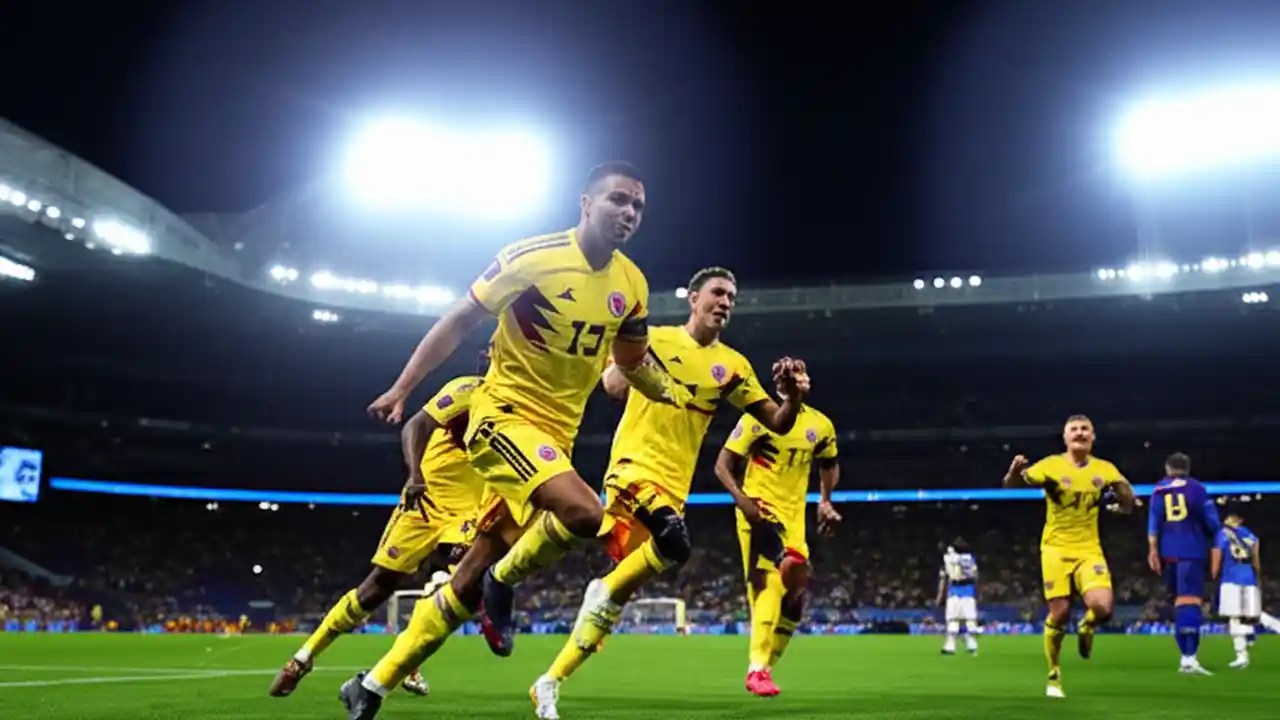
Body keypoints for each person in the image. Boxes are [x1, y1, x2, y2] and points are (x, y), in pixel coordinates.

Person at [339, 161, 750, 719]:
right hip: (503, 418)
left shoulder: (631, 284)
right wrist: (402, 388)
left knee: (464, 585)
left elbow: (632, 362)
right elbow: (460, 319)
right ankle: (504, 580)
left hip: (555, 440)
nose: (629, 212)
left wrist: (674, 392)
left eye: (638, 205)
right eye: (618, 199)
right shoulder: (532, 257)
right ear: (586, 203)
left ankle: (371, 685)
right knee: (586, 514)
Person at [527, 266, 809, 720]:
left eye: (732, 297)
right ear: (693, 298)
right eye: (718, 293)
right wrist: (630, 361)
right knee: (676, 543)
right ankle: (542, 565)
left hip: (674, 490)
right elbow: (612, 385)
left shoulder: (733, 366)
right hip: (632, 470)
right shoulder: (653, 338)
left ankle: (549, 681)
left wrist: (792, 397)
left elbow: (777, 422)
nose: (726, 302)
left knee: (613, 602)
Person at [270, 358, 489, 698]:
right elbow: (415, 426)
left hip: (468, 513)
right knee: (376, 588)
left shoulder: (521, 407)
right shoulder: (467, 389)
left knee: (456, 583)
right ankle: (302, 658)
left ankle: (401, 667)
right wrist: (415, 474)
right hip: (425, 501)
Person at [715, 398, 841, 697]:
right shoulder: (756, 418)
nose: (796, 380)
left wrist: (825, 500)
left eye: (801, 377)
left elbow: (829, 463)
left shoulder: (820, 424)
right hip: (759, 512)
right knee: (770, 582)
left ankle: (766, 668)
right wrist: (743, 501)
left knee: (795, 599)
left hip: (793, 521)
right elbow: (722, 466)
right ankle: (756, 668)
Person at [1003, 414, 1135, 698]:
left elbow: (1127, 495)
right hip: (1055, 548)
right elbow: (1012, 486)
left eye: (1085, 429)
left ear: (1093, 437)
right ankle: (1054, 673)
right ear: (1065, 437)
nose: (1080, 433)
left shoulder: (1105, 469)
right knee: (1060, 613)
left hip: (1089, 549)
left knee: (1103, 607)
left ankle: (1087, 625)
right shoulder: (1051, 465)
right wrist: (1014, 470)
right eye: (1073, 429)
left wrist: (1123, 503)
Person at [1147, 452, 1219, 675]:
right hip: (1191, 550)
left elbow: (1153, 522)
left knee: (1179, 602)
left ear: (1167, 468)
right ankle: (1189, 658)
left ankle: (1185, 656)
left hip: (1167, 552)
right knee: (1191, 602)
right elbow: (1213, 523)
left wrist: (1152, 551)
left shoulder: (1159, 489)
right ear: (1188, 468)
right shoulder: (1197, 489)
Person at [1211, 509, 1263, 669]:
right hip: (1248, 576)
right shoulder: (1248, 533)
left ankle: (1241, 655)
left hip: (1231, 577)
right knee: (1247, 614)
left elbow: (1217, 553)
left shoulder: (1223, 533)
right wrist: (1257, 570)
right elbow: (1255, 550)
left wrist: (1214, 573)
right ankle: (1250, 635)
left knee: (1234, 617)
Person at [937, 538, 980, 656]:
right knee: (970, 620)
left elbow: (946, 575)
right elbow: (975, 575)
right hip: (968, 592)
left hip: (954, 592)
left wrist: (940, 594)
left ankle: (950, 646)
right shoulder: (970, 559)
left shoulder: (949, 558)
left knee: (953, 620)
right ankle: (972, 645)